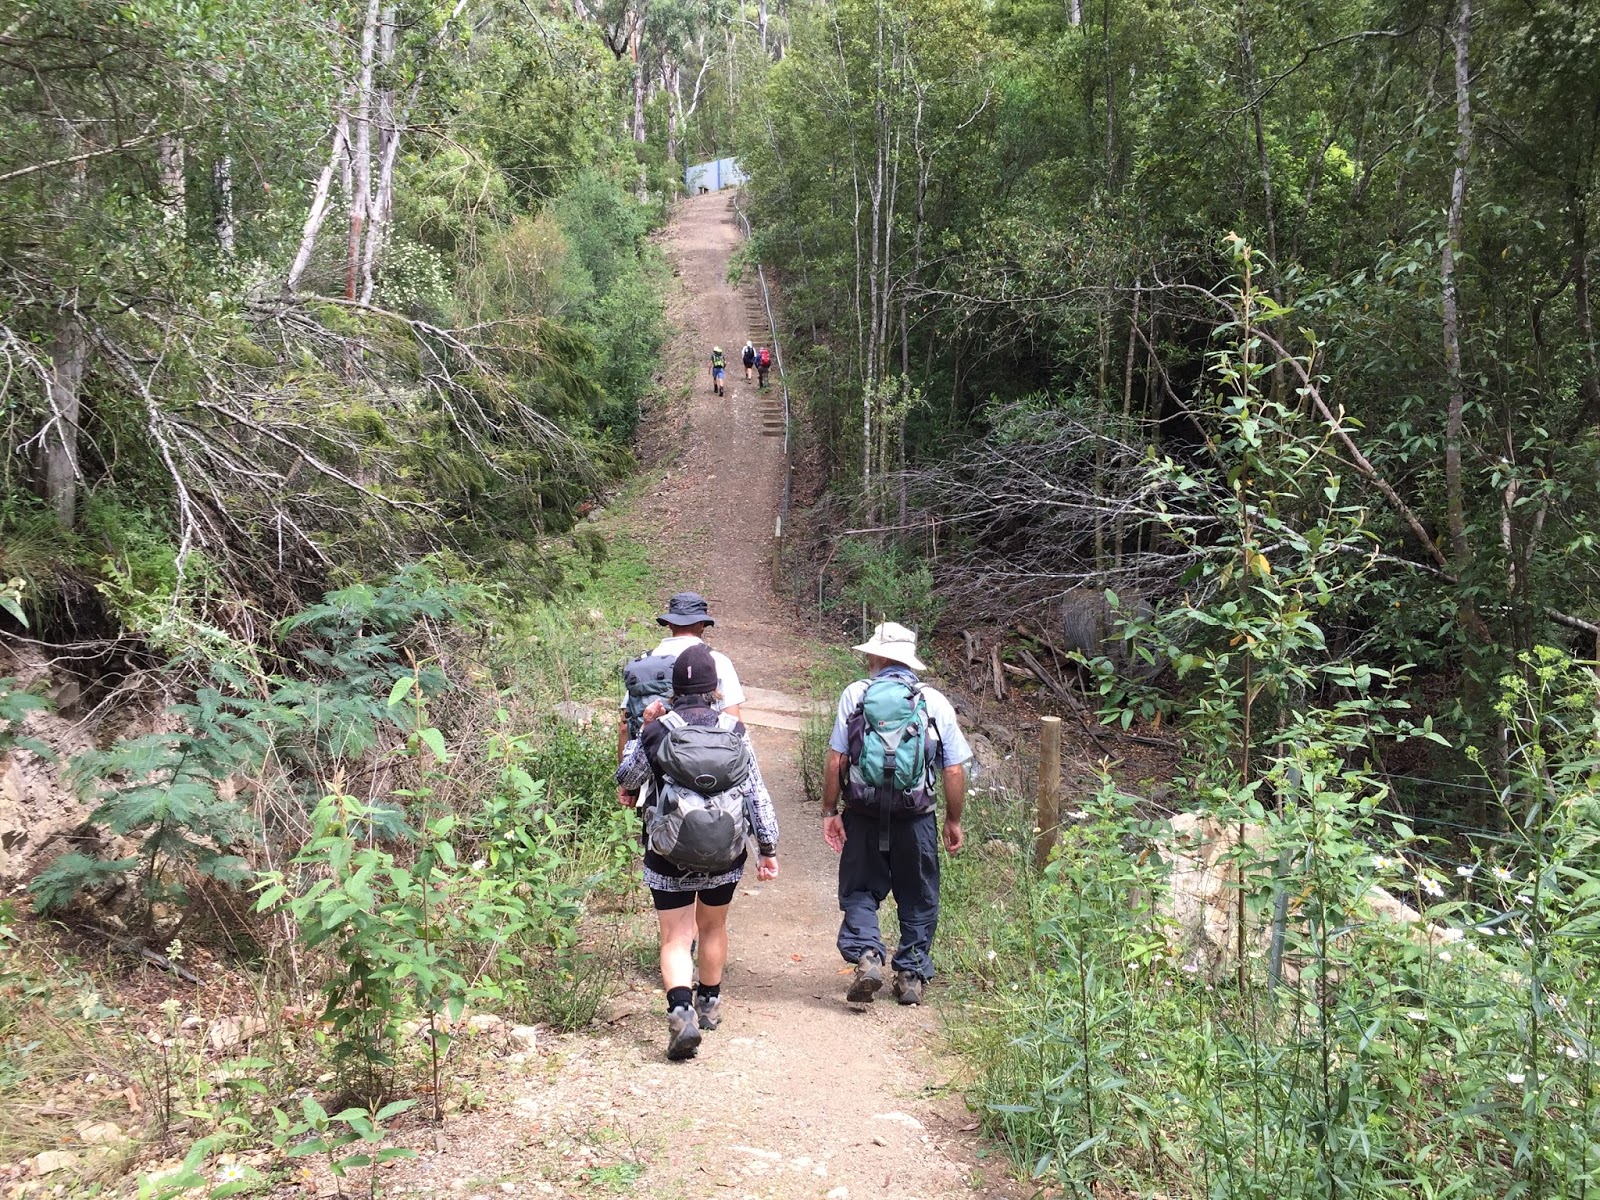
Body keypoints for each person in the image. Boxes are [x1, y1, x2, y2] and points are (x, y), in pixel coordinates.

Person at [616, 643, 780, 1060]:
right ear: (715, 687)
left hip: (667, 852)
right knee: (713, 926)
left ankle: (680, 1010)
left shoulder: (659, 729)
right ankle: (709, 1002)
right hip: (725, 852)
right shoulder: (734, 731)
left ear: (674, 686)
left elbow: (628, 778)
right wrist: (767, 847)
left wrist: (642, 728)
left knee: (675, 936)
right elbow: (756, 794)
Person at [820, 622, 970, 1006]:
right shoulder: (932, 701)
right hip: (915, 818)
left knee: (859, 889)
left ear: (878, 655)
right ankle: (911, 975)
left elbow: (837, 759)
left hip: (862, 812)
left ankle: (868, 955)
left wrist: (829, 810)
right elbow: (954, 769)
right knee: (918, 894)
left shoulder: (856, 694)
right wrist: (953, 820)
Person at [618, 591, 745, 761]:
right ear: (702, 624)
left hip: (653, 762)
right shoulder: (717, 661)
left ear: (670, 624)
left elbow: (624, 726)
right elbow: (733, 725)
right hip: (704, 762)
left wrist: (624, 774)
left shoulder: (644, 663)